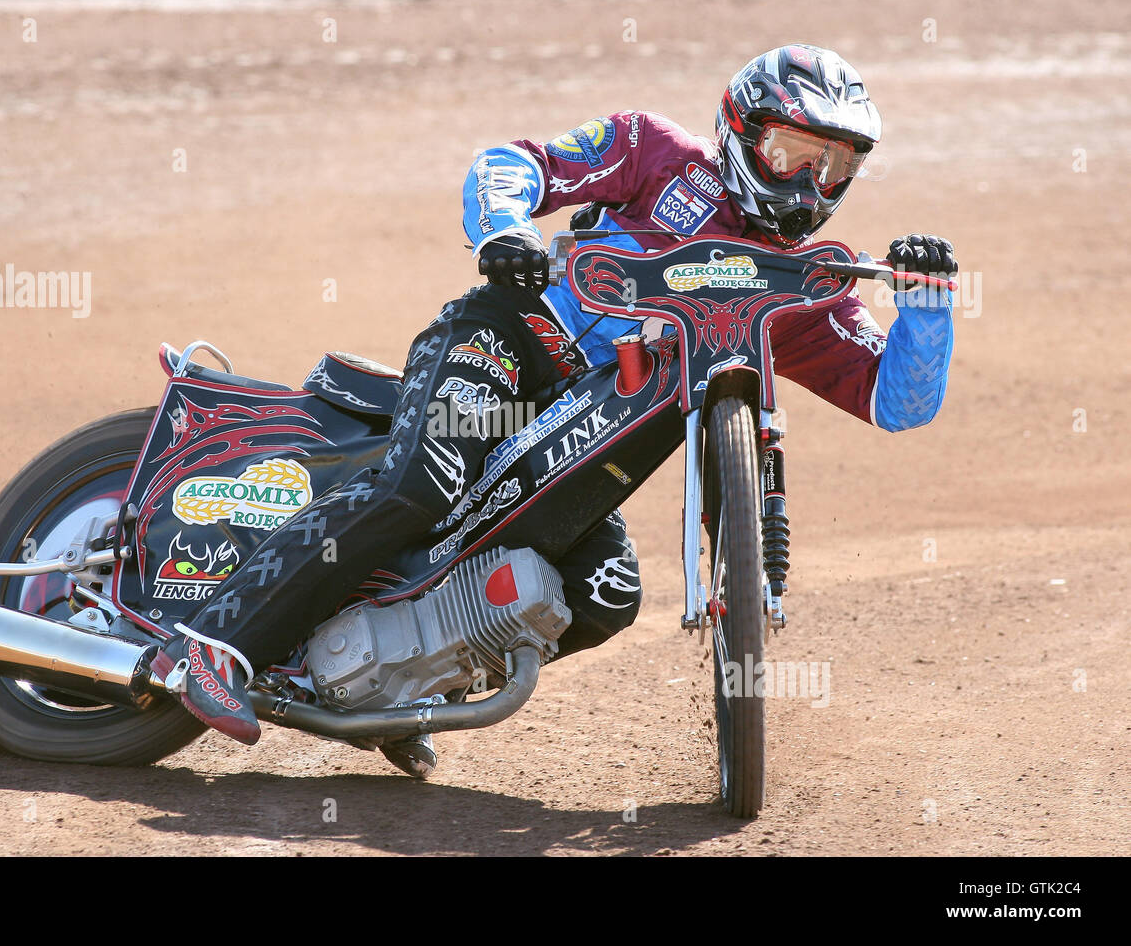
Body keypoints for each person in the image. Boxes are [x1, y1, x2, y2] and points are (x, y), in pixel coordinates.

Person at [149, 43, 957, 776]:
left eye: (835, 168)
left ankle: (396, 691)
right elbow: (512, 162)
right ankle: (213, 646)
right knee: (424, 482)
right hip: (508, 341)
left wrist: (926, 307)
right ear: (741, 134)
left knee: (606, 594)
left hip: (578, 434)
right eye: (791, 155)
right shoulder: (653, 150)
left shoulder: (805, 284)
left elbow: (897, 402)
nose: (810, 187)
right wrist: (503, 231)